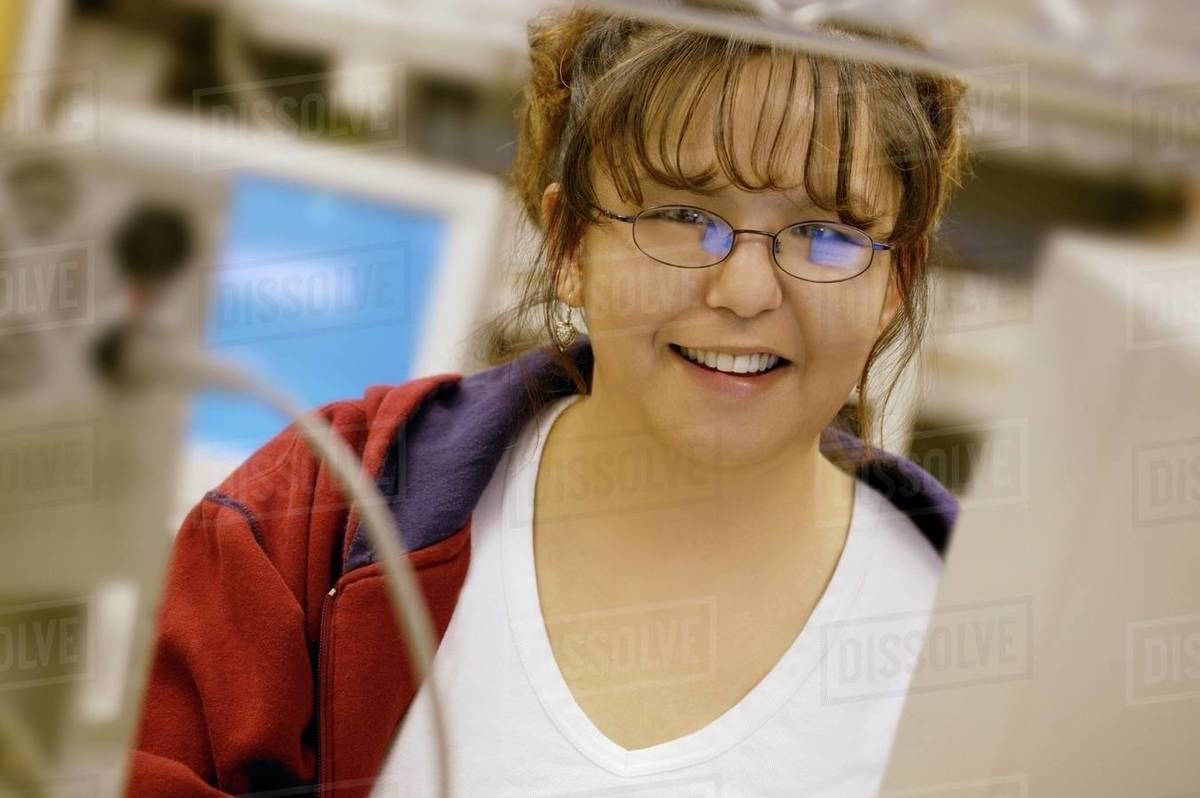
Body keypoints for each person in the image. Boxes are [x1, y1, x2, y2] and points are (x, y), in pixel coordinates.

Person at [127, 7, 968, 797]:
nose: (746, 290)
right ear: (569, 245)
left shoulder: (965, 629)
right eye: (681, 213)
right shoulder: (309, 524)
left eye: (827, 232)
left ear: (896, 281)